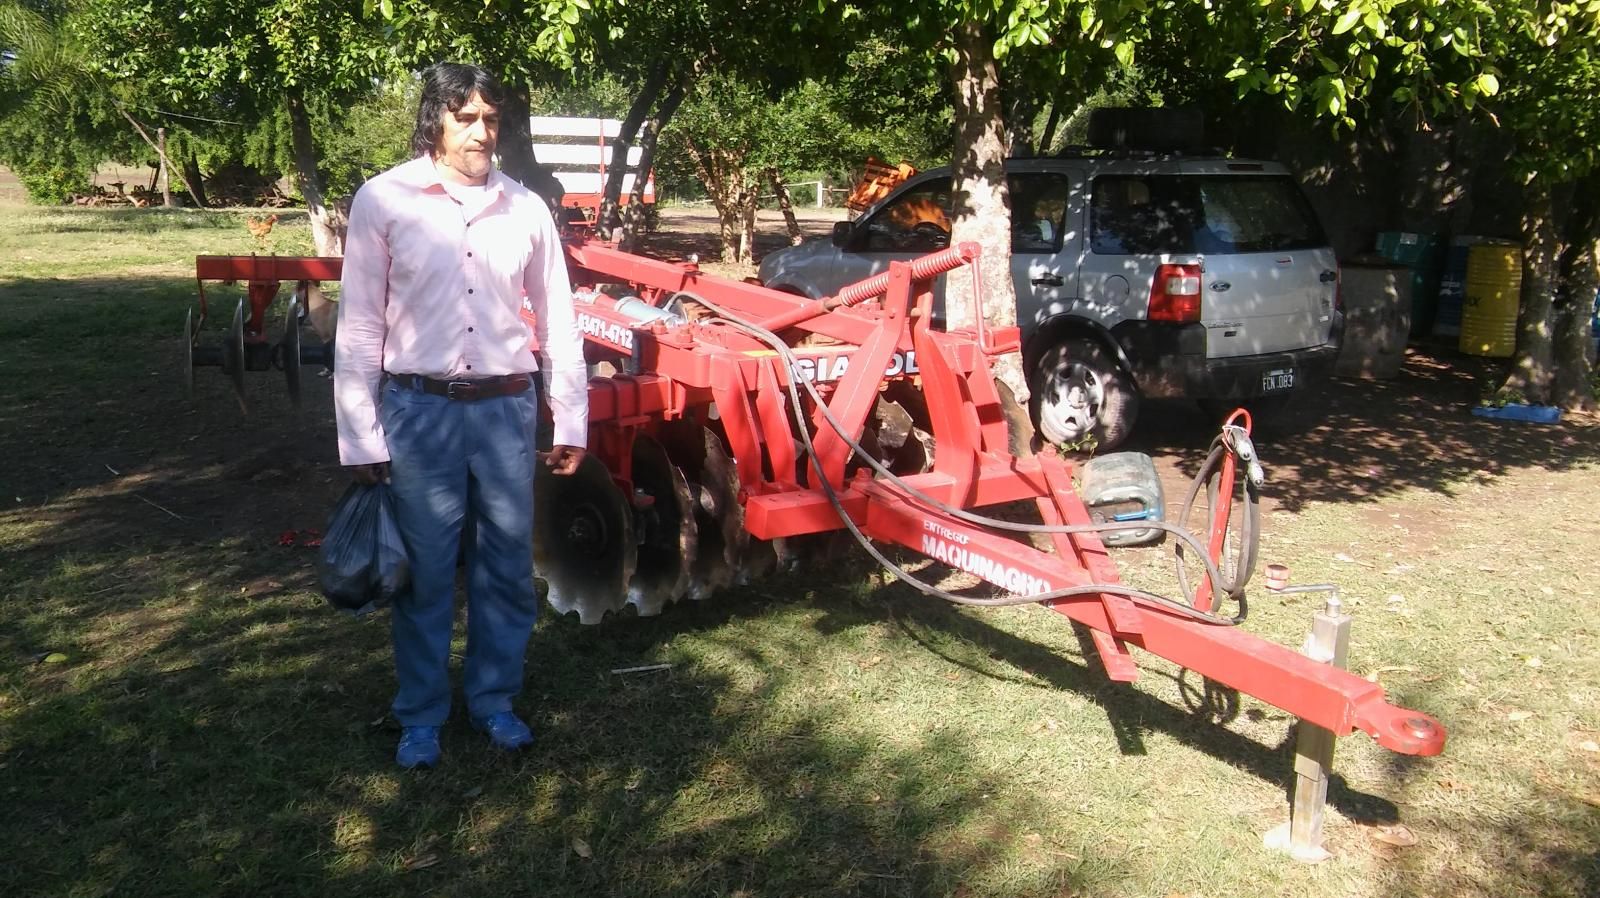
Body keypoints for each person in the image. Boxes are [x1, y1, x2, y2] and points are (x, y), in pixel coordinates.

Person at [334, 62, 589, 769]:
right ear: (435, 121)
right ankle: (420, 715)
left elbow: (560, 320)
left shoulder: (525, 208)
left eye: (491, 119)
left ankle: (494, 702)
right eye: (466, 117)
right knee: (422, 569)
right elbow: (358, 326)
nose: (481, 132)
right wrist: (360, 433)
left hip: (506, 411)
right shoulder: (384, 201)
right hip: (419, 411)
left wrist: (570, 419)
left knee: (505, 568)